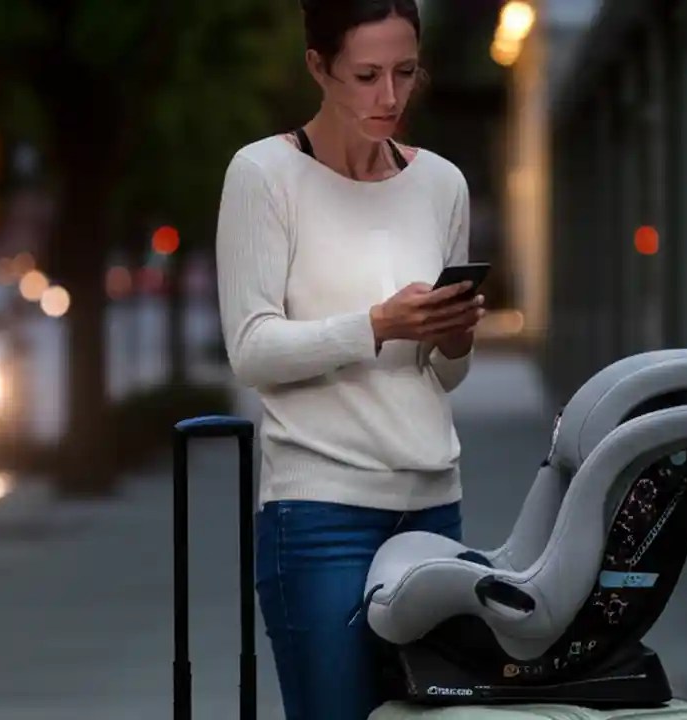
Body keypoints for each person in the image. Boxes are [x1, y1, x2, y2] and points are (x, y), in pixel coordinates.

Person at [214, 1, 484, 717]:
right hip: (320, 515)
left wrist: (453, 336)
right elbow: (251, 348)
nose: (389, 96)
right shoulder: (264, 174)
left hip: (433, 509)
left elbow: (445, 374)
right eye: (366, 76)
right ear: (319, 67)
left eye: (405, 72)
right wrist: (377, 324)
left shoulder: (442, 184)